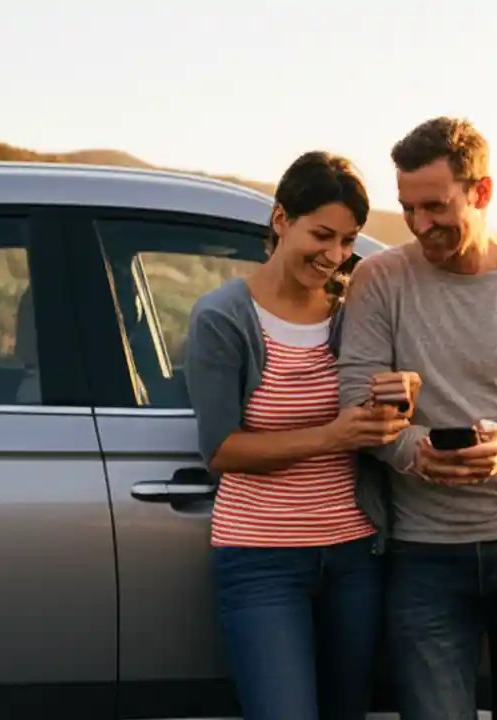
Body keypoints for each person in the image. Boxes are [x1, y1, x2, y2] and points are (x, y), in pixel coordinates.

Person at [337, 117, 497, 720]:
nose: (420, 224)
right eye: (407, 208)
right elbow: (357, 406)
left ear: (480, 192)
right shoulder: (380, 280)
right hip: (423, 556)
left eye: (435, 206)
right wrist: (413, 451)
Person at [183, 150, 420, 720]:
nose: (336, 256)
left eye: (349, 241)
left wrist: (401, 393)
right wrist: (332, 437)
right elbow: (221, 450)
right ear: (281, 219)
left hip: (356, 557)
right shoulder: (223, 317)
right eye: (323, 235)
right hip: (261, 562)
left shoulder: (353, 313)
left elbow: (373, 419)